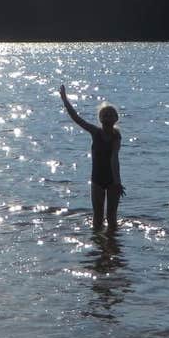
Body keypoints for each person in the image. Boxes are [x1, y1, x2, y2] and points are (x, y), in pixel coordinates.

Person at [59, 84, 124, 230]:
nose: (107, 117)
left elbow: (114, 159)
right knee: (98, 217)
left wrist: (117, 182)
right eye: (104, 115)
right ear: (100, 118)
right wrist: (65, 99)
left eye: (110, 114)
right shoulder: (96, 132)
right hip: (97, 180)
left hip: (113, 180)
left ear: (116, 118)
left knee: (112, 218)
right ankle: (99, 245)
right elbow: (76, 118)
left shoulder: (116, 136)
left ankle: (113, 246)